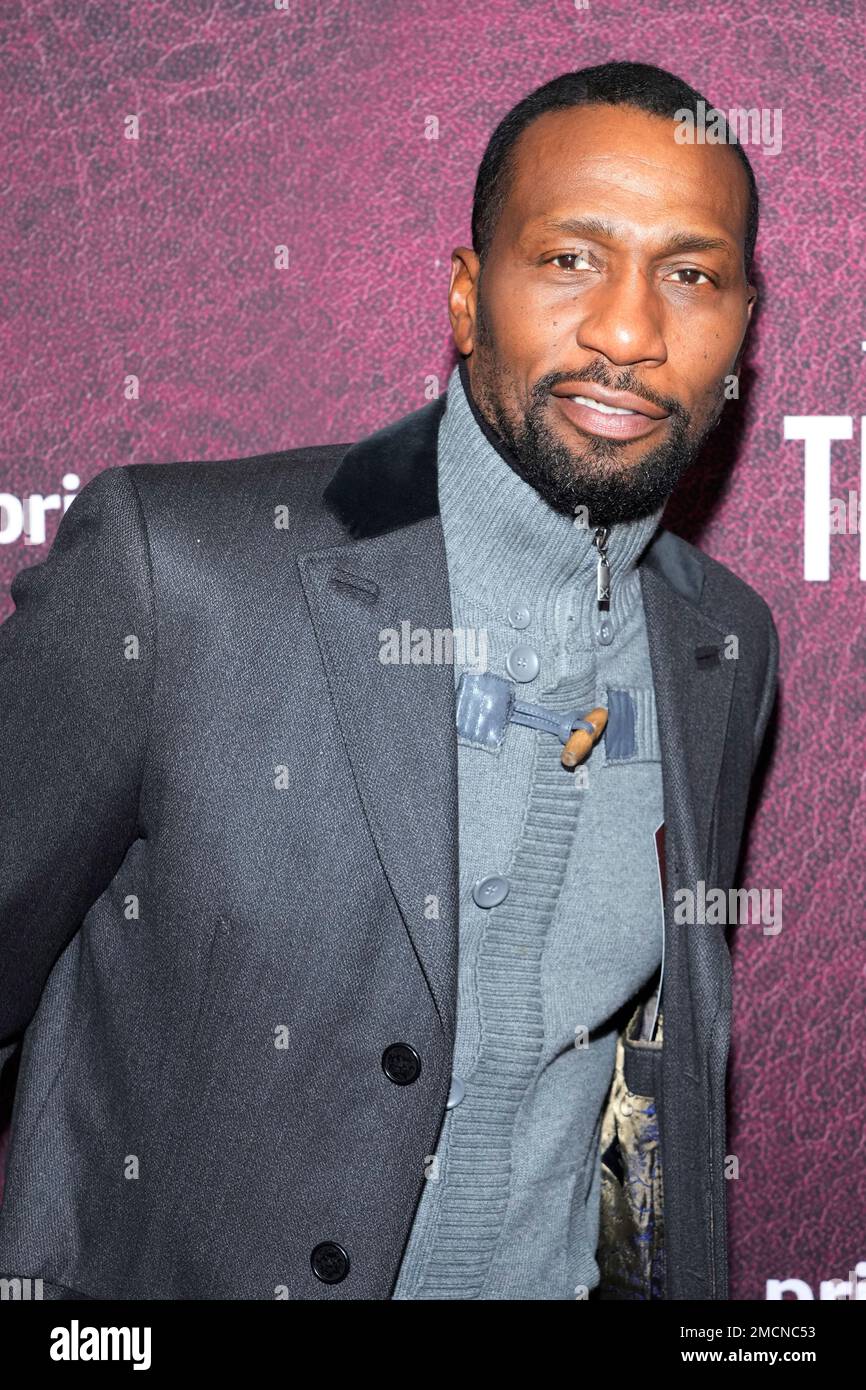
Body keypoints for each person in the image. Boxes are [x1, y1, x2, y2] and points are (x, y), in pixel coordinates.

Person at [0, 61, 779, 1300]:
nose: (629, 333)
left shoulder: (722, 646)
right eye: (570, 259)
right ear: (467, 297)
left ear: (740, 322)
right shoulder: (182, 571)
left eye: (689, 275)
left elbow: (639, 1101)